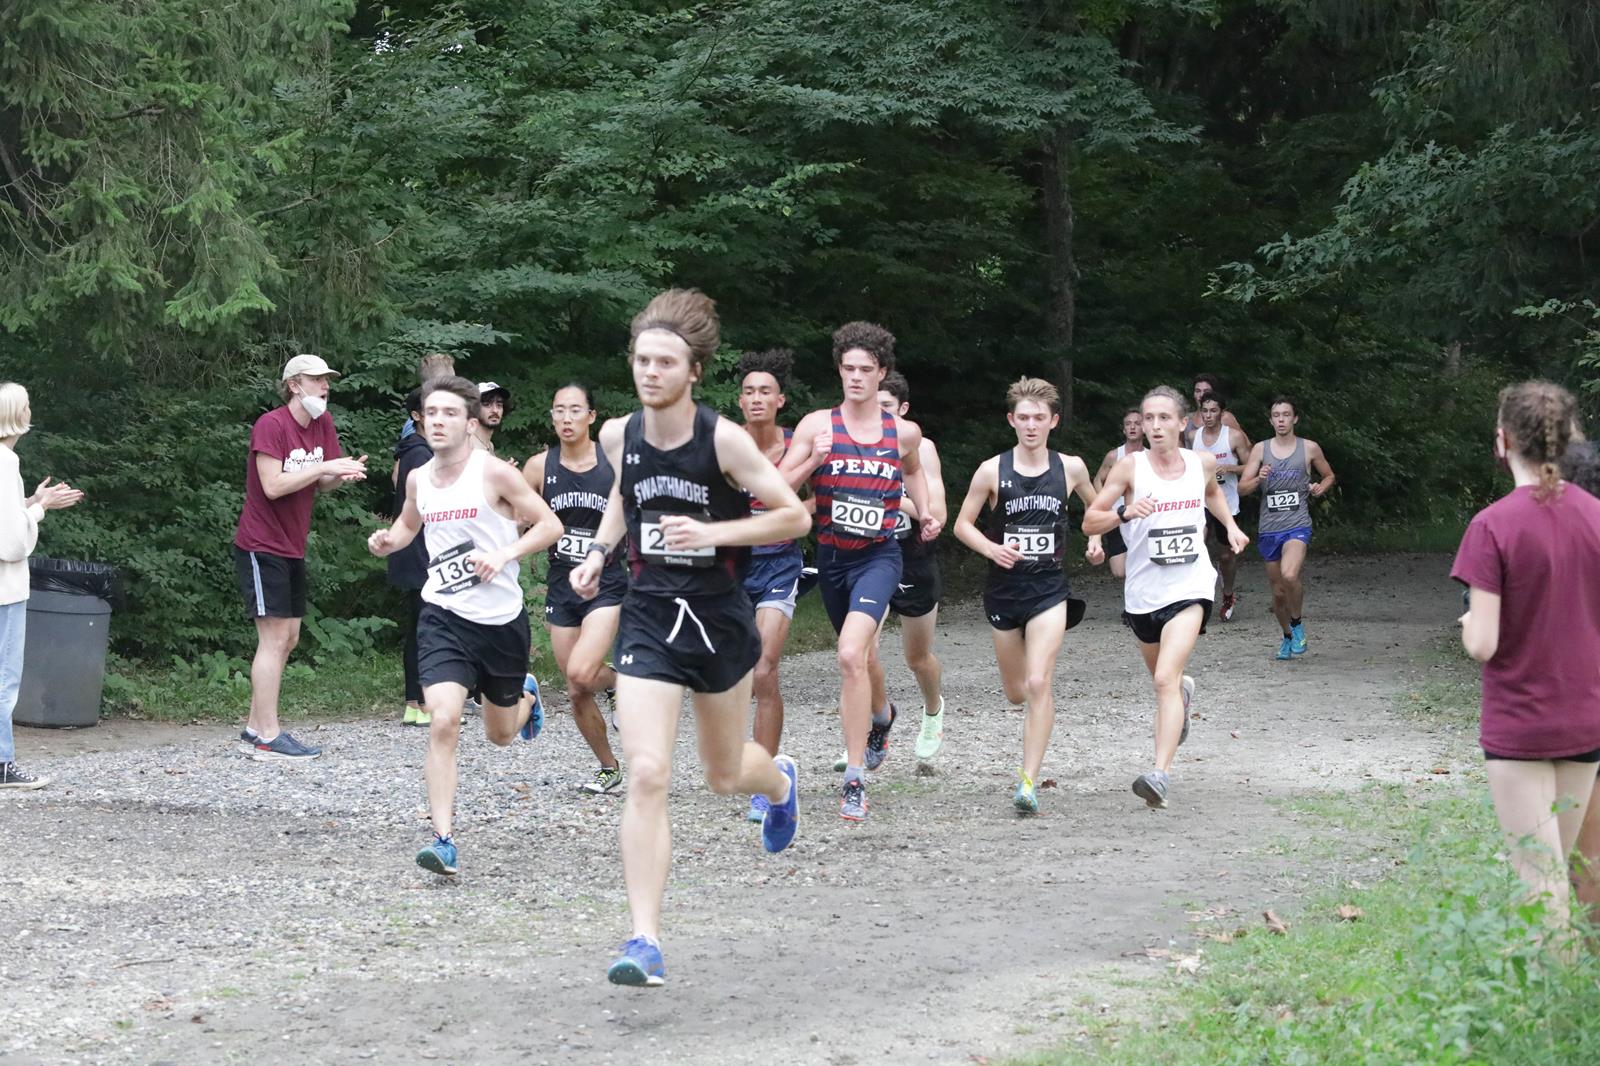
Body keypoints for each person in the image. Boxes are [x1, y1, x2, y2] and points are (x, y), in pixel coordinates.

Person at [567, 288, 810, 987]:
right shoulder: (620, 434)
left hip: (717, 618)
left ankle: (780, 780)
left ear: (694, 369)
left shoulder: (723, 440)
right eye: (641, 359)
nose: (650, 372)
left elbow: (792, 518)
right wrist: (596, 552)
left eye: (665, 362)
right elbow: (624, 495)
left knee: (726, 772)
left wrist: (716, 532)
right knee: (647, 772)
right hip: (648, 614)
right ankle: (644, 939)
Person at [367, 375, 563, 877]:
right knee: (443, 719)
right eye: (430, 413)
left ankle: (527, 698)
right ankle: (443, 838)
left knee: (500, 735)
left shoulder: (495, 474)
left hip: (499, 622)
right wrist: (390, 540)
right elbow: (411, 522)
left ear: (470, 424)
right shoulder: (418, 478)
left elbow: (548, 526)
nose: (437, 421)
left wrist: (505, 553)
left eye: (449, 413)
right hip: (443, 616)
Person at [1454, 381, 1600, 941]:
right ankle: (1563, 1010)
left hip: (1522, 724)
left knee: (1538, 883)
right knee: (1562, 870)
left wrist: (1470, 624)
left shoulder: (1492, 525)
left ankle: (1547, 1019)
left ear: (1502, 440)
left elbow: (1484, 643)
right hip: (1585, 717)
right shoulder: (1593, 515)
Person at [778, 321, 935, 822]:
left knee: (849, 654)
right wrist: (815, 459)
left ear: (882, 373)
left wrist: (925, 511)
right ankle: (882, 716)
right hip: (831, 556)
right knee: (860, 658)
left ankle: (853, 778)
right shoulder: (814, 426)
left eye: (866, 370)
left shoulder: (902, 432)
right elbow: (776, 487)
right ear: (839, 370)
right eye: (848, 369)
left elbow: (913, 470)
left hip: (879, 556)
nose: (856, 378)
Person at [1084, 385, 1248, 810]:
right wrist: (1124, 512)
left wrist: (1229, 526)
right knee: (1167, 682)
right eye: (1148, 418)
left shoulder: (1202, 462)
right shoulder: (1129, 469)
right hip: (1142, 595)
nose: (1155, 425)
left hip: (1191, 586)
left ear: (1181, 423)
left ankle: (1160, 773)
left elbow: (1212, 492)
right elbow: (1089, 521)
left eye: (1163, 418)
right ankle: (1183, 696)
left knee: (1163, 680)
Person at [953, 377, 1102, 813]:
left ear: (1053, 421)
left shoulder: (1070, 468)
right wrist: (991, 548)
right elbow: (962, 524)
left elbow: (1096, 509)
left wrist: (1096, 541)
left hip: (1049, 590)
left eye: (1039, 418)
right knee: (1017, 691)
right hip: (1004, 593)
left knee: (1039, 682)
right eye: (1024, 418)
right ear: (1011, 421)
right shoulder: (991, 470)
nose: (1031, 425)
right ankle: (1028, 757)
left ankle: (1028, 781)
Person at [233, 355, 368, 760]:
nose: (325, 386)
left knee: (288, 638)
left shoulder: (323, 424)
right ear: (294, 385)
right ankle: (269, 738)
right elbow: (273, 486)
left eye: (327, 380)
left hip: (293, 545)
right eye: (317, 380)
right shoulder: (271, 425)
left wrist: (340, 476)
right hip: (260, 544)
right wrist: (326, 466)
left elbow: (321, 483)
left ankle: (255, 726)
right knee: (273, 639)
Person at [524, 382, 626, 795]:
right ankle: (609, 767)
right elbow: (513, 513)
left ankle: (618, 683)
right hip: (561, 584)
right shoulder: (537, 467)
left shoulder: (614, 464)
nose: (566, 419)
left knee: (584, 671)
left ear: (592, 416)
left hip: (606, 583)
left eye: (574, 410)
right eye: (558, 411)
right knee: (576, 686)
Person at [0, 383, 84, 789]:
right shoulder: (5, 462)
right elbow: (12, 543)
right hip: (4, 591)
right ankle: (1, 763)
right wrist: (41, 509)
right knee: (4, 678)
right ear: (17, 416)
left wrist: (32, 503)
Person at [735, 349, 806, 822]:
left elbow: (825, 495)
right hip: (732, 570)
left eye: (765, 391)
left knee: (764, 670)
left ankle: (765, 781)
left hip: (779, 566)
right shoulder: (726, 444)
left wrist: (795, 516)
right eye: (749, 392)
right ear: (740, 402)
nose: (757, 399)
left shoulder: (799, 445)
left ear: (780, 400)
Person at [877, 371, 948, 766]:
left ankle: (933, 708)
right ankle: (872, 722)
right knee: (859, 650)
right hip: (871, 554)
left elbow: (936, 512)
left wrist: (893, 499)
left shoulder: (924, 449)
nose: (878, 415)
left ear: (903, 410)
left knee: (916, 658)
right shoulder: (858, 445)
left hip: (914, 558)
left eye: (886, 407)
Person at [1238, 397, 1336, 660]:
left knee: (1290, 575)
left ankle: (1297, 623)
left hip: (1297, 524)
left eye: (1286, 415)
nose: (1281, 420)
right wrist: (1258, 478)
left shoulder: (1309, 448)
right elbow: (1241, 489)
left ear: (1295, 419)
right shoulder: (1260, 449)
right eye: (1276, 415)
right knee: (1279, 593)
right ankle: (1287, 636)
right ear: (1271, 420)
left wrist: (1319, 488)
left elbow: (1329, 475)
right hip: (1269, 528)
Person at [389, 387, 434, 726]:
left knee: (420, 625)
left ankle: (415, 703)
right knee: (428, 626)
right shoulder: (420, 453)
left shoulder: (410, 451)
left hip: (415, 549)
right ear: (416, 417)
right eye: (428, 411)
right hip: (421, 550)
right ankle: (421, 702)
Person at [1193, 392, 1251, 621]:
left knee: (1226, 556)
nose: (1208, 416)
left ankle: (1228, 594)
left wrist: (1229, 468)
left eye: (1213, 411)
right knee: (1197, 545)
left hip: (1226, 504)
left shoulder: (1234, 437)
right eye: (1204, 411)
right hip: (1200, 503)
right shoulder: (1192, 437)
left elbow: (1250, 466)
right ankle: (1197, 599)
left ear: (1222, 413)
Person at [1094, 407, 1145, 579]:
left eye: (1137, 423)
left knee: (1144, 564)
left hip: (1141, 516)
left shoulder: (1151, 456)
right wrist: (1104, 505)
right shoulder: (1114, 456)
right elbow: (1097, 479)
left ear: (1144, 427)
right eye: (1128, 424)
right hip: (1116, 515)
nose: (1132, 427)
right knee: (1119, 571)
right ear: (1123, 429)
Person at [1182, 373, 1242, 443]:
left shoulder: (1225, 417)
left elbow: (1245, 445)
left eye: (1206, 391)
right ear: (1193, 394)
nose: (1201, 395)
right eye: (1197, 391)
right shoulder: (1186, 420)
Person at [472, 382, 510, 454]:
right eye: (487, 405)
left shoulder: (489, 445)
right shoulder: (467, 445)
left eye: (499, 405)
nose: (495, 410)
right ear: (474, 408)